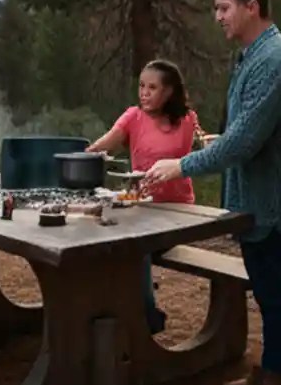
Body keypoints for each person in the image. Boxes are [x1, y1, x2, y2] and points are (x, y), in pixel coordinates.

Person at [143, 0, 281, 385]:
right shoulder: (251, 55)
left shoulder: (275, 60)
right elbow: (250, 132)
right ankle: (268, 369)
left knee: (275, 293)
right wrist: (226, 139)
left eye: (224, 7)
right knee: (263, 289)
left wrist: (180, 165)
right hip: (257, 202)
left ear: (251, 7)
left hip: (275, 203)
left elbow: (244, 143)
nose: (218, 16)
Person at [86, 58, 203, 334]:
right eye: (141, 86)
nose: (144, 93)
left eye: (152, 87)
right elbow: (104, 145)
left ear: (169, 92)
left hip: (179, 212)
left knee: (135, 249)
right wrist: (83, 156)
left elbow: (206, 146)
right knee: (115, 244)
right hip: (143, 210)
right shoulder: (133, 117)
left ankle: (145, 318)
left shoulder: (188, 120)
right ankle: (131, 312)